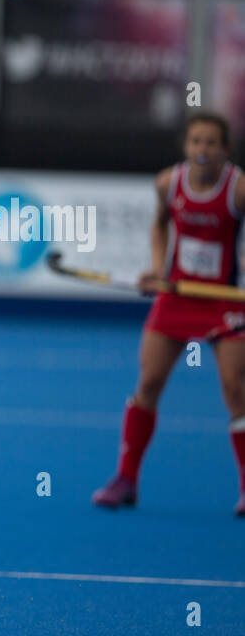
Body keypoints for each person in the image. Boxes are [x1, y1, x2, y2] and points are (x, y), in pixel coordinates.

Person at [92, 112, 245, 516]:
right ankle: (125, 478)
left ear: (225, 150)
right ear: (186, 146)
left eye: (212, 143)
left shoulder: (238, 189)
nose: (203, 150)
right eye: (196, 141)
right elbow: (160, 225)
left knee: (235, 389)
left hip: (224, 300)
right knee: (150, 381)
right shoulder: (167, 183)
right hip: (177, 296)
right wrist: (158, 269)